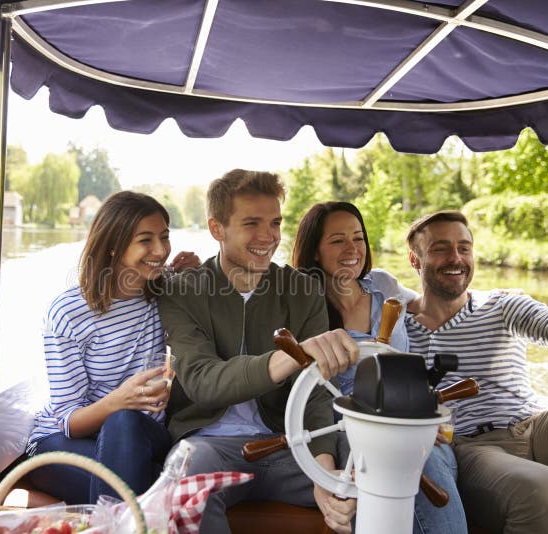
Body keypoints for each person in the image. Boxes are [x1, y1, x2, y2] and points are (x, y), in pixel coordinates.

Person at [158, 169, 359, 534]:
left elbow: (315, 394)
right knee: (187, 481)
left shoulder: (303, 290)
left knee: (372, 477)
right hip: (209, 447)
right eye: (252, 223)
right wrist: (290, 357)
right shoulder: (182, 291)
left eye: (276, 223)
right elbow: (203, 381)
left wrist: (321, 469)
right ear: (217, 228)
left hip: (289, 446)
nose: (268, 237)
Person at [404, 210, 548, 533]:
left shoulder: (502, 305)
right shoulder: (397, 327)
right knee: (546, 492)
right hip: (473, 449)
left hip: (538, 431)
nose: (456, 258)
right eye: (440, 248)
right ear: (414, 260)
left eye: (464, 247)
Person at [292, 201, 467, 534]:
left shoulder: (384, 285)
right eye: (337, 240)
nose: (352, 249)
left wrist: (491, 300)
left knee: (426, 460)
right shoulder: (303, 305)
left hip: (414, 417)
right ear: (314, 251)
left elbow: (433, 303)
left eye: (358, 238)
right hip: (352, 428)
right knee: (407, 461)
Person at [25, 191, 199, 504]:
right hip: (65, 441)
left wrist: (197, 273)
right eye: (146, 240)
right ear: (114, 246)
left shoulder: (165, 291)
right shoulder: (67, 313)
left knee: (127, 422)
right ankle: (143, 505)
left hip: (145, 435)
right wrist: (117, 401)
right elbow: (70, 422)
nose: (160, 250)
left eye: (164, 237)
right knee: (130, 437)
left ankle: (126, 511)